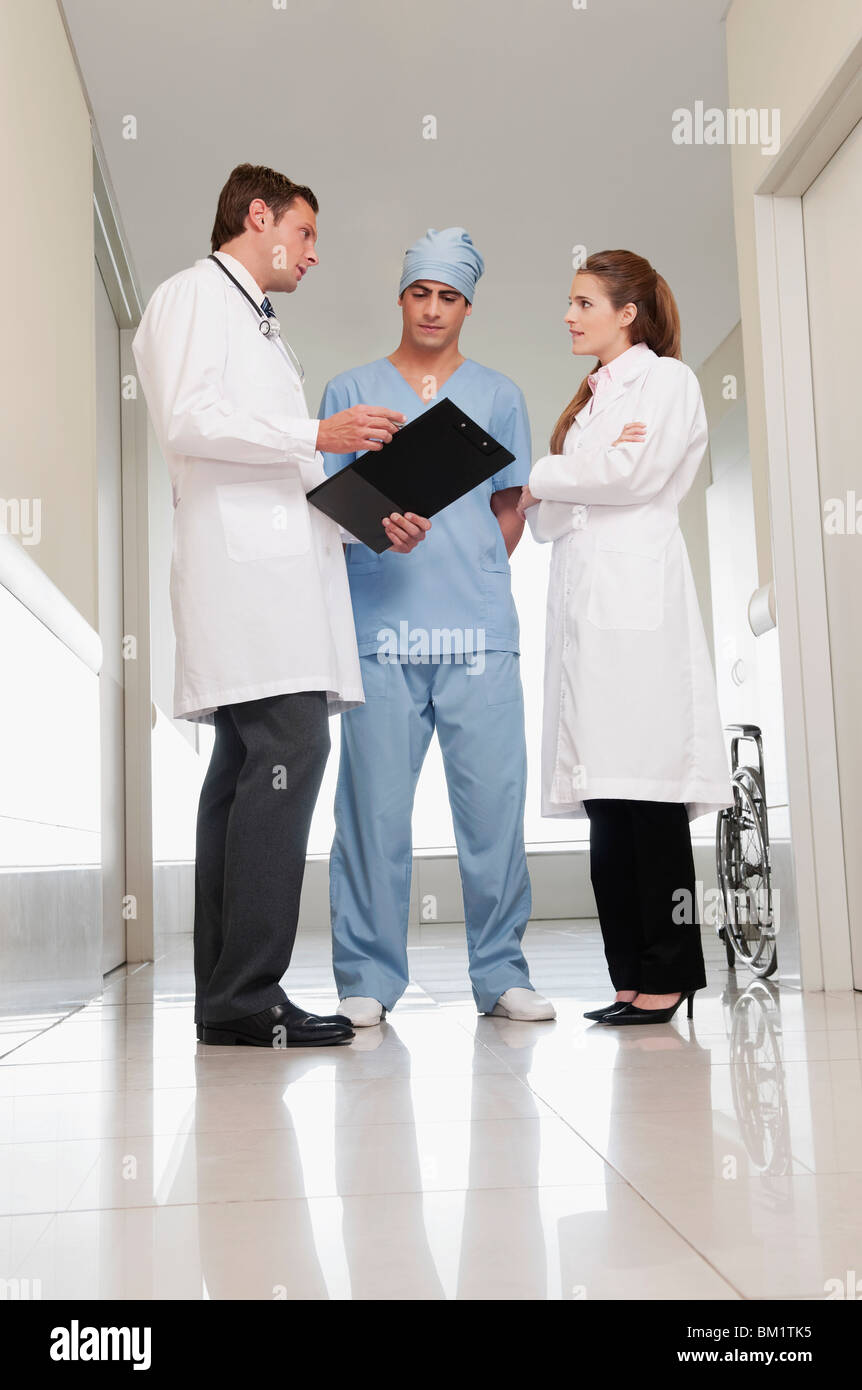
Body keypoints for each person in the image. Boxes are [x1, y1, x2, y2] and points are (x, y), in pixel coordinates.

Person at [132, 163, 429, 1048]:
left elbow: (283, 482)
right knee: (286, 752)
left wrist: (371, 522)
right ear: (257, 217)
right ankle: (249, 992)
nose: (311, 253)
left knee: (244, 770)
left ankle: (229, 997)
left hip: (273, 580)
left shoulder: (258, 329)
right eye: (303, 233)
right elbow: (191, 420)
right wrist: (318, 432)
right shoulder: (193, 297)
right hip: (246, 590)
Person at [318, 227, 555, 1026]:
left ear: (467, 306)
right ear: (401, 296)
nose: (431, 308)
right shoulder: (351, 390)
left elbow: (509, 504)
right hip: (382, 629)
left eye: (447, 296)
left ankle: (501, 972)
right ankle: (366, 979)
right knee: (373, 815)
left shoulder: (498, 394)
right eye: (420, 292)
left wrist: (482, 563)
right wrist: (383, 529)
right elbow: (331, 512)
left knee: (492, 812)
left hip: (478, 633)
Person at [517, 249, 732, 1026]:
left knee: (651, 798)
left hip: (638, 613)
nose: (570, 316)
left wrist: (551, 475)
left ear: (627, 312)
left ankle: (670, 973)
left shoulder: (667, 382)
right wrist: (575, 476)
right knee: (607, 801)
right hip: (585, 613)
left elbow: (633, 479)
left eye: (583, 302)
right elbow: (547, 521)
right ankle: (627, 978)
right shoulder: (590, 403)